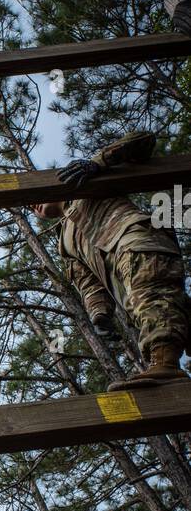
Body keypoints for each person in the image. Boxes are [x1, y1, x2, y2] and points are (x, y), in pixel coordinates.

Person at [31, 132, 190, 391]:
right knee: (164, 311)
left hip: (137, 245)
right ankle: (164, 366)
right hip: (122, 282)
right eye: (28, 204)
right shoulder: (65, 242)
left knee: (154, 298)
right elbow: (88, 284)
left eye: (35, 193)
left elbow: (143, 140)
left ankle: (166, 365)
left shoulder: (88, 182)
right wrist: (99, 315)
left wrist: (97, 163)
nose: (32, 205)